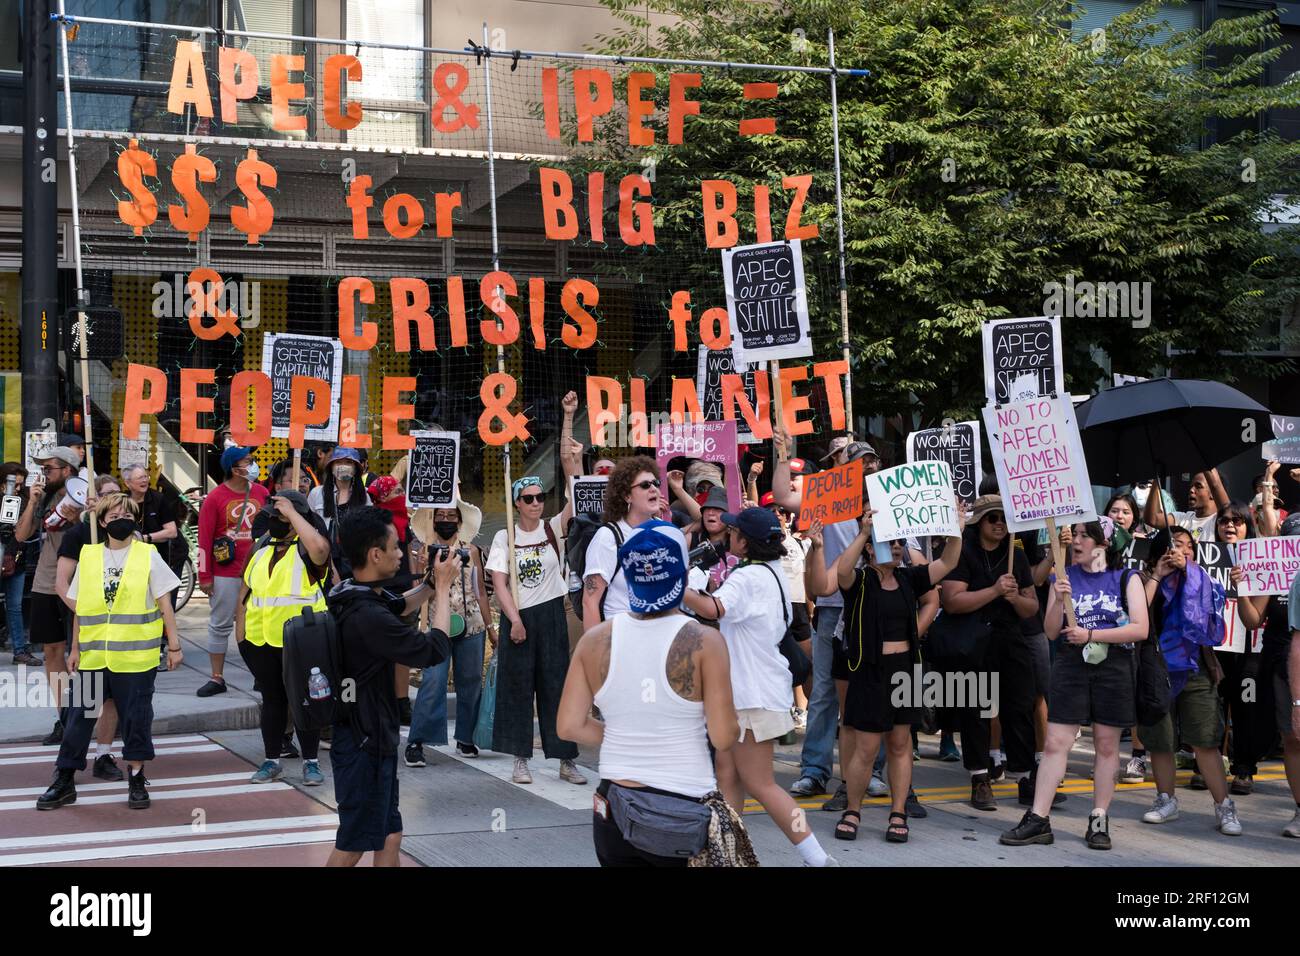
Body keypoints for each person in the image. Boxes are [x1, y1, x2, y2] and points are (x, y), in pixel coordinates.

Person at [557, 520, 756, 867]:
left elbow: (569, 726)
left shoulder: (595, 641)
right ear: (681, 576)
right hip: (680, 806)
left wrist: (623, 734)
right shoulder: (704, 641)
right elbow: (724, 736)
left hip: (614, 803)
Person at [682, 506, 838, 867]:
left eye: (734, 530)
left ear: (744, 540)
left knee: (761, 784)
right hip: (745, 693)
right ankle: (726, 853)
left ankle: (817, 856)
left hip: (752, 696)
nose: (728, 533)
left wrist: (681, 586)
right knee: (727, 776)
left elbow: (713, 610)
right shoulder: (769, 571)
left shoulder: (749, 576)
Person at [1001, 518, 1149, 850]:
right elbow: (1051, 631)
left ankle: (1099, 819)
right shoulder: (1063, 577)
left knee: (1107, 745)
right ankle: (1038, 818)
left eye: (1085, 535)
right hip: (1071, 662)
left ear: (1104, 543)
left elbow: (1140, 629)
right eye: (1076, 534)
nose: (1076, 540)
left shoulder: (1127, 578)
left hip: (1114, 664)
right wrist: (1056, 597)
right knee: (1055, 741)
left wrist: (1092, 634)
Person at [816, 509, 962, 843]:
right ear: (870, 548)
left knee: (900, 744)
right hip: (870, 673)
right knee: (865, 749)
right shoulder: (861, 580)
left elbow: (948, 563)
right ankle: (853, 809)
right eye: (889, 543)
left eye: (899, 543)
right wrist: (865, 533)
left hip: (905, 673)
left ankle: (898, 812)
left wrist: (957, 528)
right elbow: (841, 571)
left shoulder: (910, 579)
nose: (896, 548)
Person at [36, 493, 183, 810]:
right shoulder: (88, 557)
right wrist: (74, 648)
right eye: (113, 516)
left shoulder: (147, 555)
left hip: (136, 658)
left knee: (135, 720)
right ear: (102, 522)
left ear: (135, 520)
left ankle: (136, 778)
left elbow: (164, 603)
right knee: (77, 719)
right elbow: (82, 608)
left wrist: (174, 645)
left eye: (126, 515)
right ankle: (64, 780)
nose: (121, 520)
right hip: (93, 657)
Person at [326, 506, 454, 866]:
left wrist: (429, 585)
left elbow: (398, 606)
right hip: (363, 742)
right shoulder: (367, 616)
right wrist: (443, 590)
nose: (402, 554)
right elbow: (434, 649)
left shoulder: (353, 592)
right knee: (354, 841)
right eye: (396, 547)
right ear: (375, 554)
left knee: (388, 834)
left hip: (366, 735)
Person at [775, 433, 881, 807]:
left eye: (872, 460)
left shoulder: (887, 502)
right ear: (845, 468)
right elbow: (785, 498)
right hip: (835, 605)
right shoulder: (831, 498)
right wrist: (784, 455)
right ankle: (815, 771)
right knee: (822, 693)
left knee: (873, 690)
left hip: (874, 607)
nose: (868, 466)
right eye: (859, 461)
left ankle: (874, 771)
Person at [939, 494, 1046, 812]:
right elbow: (952, 601)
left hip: (1010, 641)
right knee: (976, 711)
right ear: (979, 522)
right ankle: (980, 778)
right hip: (972, 643)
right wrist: (995, 591)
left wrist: (1013, 598)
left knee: (1020, 707)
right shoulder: (963, 551)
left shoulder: (1017, 555)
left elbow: (1031, 608)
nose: (999, 523)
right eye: (992, 518)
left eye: (1003, 517)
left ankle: (1025, 776)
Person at [1137, 526, 1242, 835]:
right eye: (1174, 545)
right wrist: (1158, 575)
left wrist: (1187, 575)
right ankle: (1165, 800)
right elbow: (1138, 612)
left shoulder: (1201, 581)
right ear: (1158, 553)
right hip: (1157, 669)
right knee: (1160, 739)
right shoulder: (1144, 580)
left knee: (1205, 740)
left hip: (1195, 668)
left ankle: (1224, 807)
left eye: (1187, 546)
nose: (1181, 551)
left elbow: (1209, 620)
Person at [486, 472, 586, 785]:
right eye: (528, 498)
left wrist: (572, 464)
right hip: (520, 614)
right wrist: (514, 619)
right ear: (517, 503)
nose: (535, 503)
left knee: (556, 685)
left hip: (552, 611)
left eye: (539, 497)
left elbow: (574, 500)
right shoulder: (505, 536)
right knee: (517, 688)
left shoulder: (552, 528)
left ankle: (566, 759)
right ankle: (520, 759)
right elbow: (500, 583)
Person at [235, 490, 332, 786]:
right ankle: (271, 760)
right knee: (273, 700)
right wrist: (240, 637)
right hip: (260, 641)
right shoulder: (261, 548)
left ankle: (311, 762)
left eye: (282, 517)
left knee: (304, 701)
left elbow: (320, 548)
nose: (275, 521)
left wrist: (293, 513)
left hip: (302, 642)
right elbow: (245, 592)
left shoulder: (308, 549)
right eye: (273, 516)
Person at [406, 497, 495, 766]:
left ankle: (466, 737)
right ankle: (417, 740)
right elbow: (418, 589)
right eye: (440, 515)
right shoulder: (423, 551)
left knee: (470, 681)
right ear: (433, 520)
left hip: (473, 625)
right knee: (432, 681)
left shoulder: (473, 551)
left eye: (450, 515)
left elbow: (480, 590)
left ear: (459, 519)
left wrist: (491, 627)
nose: (446, 520)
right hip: (437, 626)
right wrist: (423, 565)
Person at [55, 475, 126, 781]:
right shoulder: (78, 535)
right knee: (85, 701)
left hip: (125, 639)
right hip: (89, 630)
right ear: (92, 501)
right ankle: (66, 771)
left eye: (117, 496)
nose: (113, 503)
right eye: (105, 496)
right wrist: (86, 622)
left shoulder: (133, 540)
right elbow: (63, 584)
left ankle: (104, 754)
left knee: (111, 700)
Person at [14, 446, 85, 744]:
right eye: (43, 468)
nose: (45, 473)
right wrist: (32, 503)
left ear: (67, 470)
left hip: (79, 580)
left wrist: (79, 515)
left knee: (84, 656)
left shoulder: (82, 495)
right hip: (45, 581)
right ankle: (64, 717)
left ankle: (85, 719)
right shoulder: (42, 498)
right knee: (52, 653)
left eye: (50, 468)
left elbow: (95, 534)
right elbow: (20, 535)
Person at [196, 446, 268, 697]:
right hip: (225, 572)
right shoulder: (215, 498)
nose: (253, 465)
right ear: (235, 468)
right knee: (220, 625)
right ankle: (217, 677)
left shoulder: (262, 493)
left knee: (256, 625)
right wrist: (204, 576)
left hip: (257, 572)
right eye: (249, 461)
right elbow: (204, 540)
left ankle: (262, 675)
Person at [583, 455, 663, 622]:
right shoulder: (608, 536)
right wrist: (596, 648)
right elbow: (590, 602)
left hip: (658, 636)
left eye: (656, 483)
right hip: (621, 637)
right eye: (645, 485)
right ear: (627, 496)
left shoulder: (664, 530)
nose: (653, 488)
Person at [309, 447, 371, 580]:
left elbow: (370, 530)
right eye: (338, 462)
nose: (343, 466)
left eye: (348, 463)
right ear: (331, 467)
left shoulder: (365, 495)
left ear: (356, 468)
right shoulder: (317, 493)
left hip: (355, 558)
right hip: (325, 556)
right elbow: (309, 525)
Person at [0, 462, 38, 665]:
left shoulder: (24, 500)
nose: (17, 489)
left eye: (20, 485)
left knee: (14, 606)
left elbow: (26, 532)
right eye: (13, 484)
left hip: (17, 558)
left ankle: (19, 649)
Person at [1144, 469, 1230, 543]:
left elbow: (1216, 485)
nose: (1191, 490)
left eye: (1198, 486)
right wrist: (1156, 480)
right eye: (1191, 486)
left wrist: (1204, 461)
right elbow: (1153, 519)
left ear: (1213, 493)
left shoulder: (1222, 521)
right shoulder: (1182, 519)